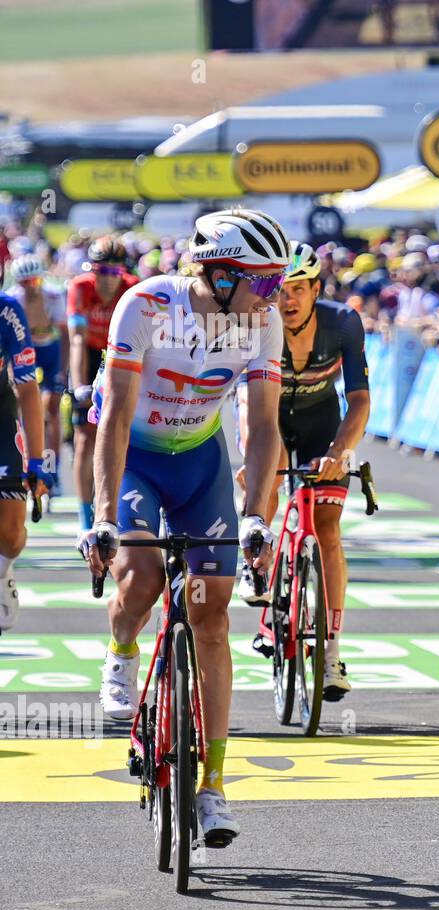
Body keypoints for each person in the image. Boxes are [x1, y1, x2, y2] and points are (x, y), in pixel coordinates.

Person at [78, 208, 287, 846]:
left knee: (213, 617)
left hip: (200, 465)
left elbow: (261, 425)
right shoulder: (146, 305)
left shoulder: (261, 322)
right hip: (136, 460)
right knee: (139, 578)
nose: (274, 294)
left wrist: (256, 511)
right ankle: (121, 650)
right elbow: (112, 415)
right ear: (221, 275)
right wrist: (104, 515)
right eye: (266, 280)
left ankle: (214, 786)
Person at [235, 241, 370, 700]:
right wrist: (249, 460)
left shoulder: (343, 323)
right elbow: (236, 396)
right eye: (278, 290)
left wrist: (339, 451)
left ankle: (331, 652)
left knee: (327, 529)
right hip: (265, 417)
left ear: (316, 289)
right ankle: (258, 560)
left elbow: (360, 400)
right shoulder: (254, 322)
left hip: (320, 423)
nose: (286, 301)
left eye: (297, 289)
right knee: (267, 478)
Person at [67, 236, 138, 531]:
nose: (108, 280)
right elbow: (77, 340)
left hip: (121, 355)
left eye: (114, 272)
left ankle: (120, 504)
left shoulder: (133, 288)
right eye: (100, 271)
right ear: (91, 270)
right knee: (85, 438)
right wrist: (79, 386)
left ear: (122, 272)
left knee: (124, 433)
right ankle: (86, 515)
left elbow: (141, 343)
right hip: (90, 352)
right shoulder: (80, 288)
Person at [0, 290, 51, 630]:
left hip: (0, 418)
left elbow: (29, 389)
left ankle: (2, 572)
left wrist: (36, 462)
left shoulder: (8, 311)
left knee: (9, 530)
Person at [6, 255, 66, 493]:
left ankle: (56, 469)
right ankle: (26, 462)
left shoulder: (53, 295)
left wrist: (63, 369)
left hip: (49, 350)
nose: (31, 286)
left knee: (52, 408)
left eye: (35, 281)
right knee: (22, 406)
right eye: (25, 282)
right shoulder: (12, 299)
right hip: (24, 350)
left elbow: (67, 334)